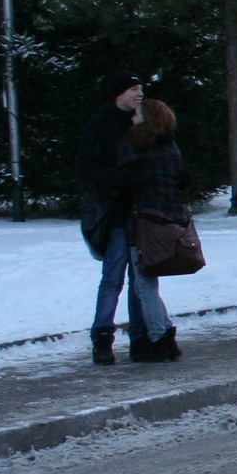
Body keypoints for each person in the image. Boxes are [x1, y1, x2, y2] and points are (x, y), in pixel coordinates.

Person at [78, 72, 146, 365]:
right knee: (113, 277)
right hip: (117, 213)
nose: (140, 94)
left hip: (145, 213)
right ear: (119, 94)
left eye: (141, 88)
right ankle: (102, 337)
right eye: (134, 89)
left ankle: (142, 337)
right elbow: (87, 169)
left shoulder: (145, 121)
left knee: (142, 278)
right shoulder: (100, 125)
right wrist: (120, 180)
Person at [115, 98, 189, 362]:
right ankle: (165, 332)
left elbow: (124, 181)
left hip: (144, 221)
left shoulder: (137, 147)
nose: (132, 118)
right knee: (147, 284)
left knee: (144, 285)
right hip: (167, 218)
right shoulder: (170, 146)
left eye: (137, 115)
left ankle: (160, 337)